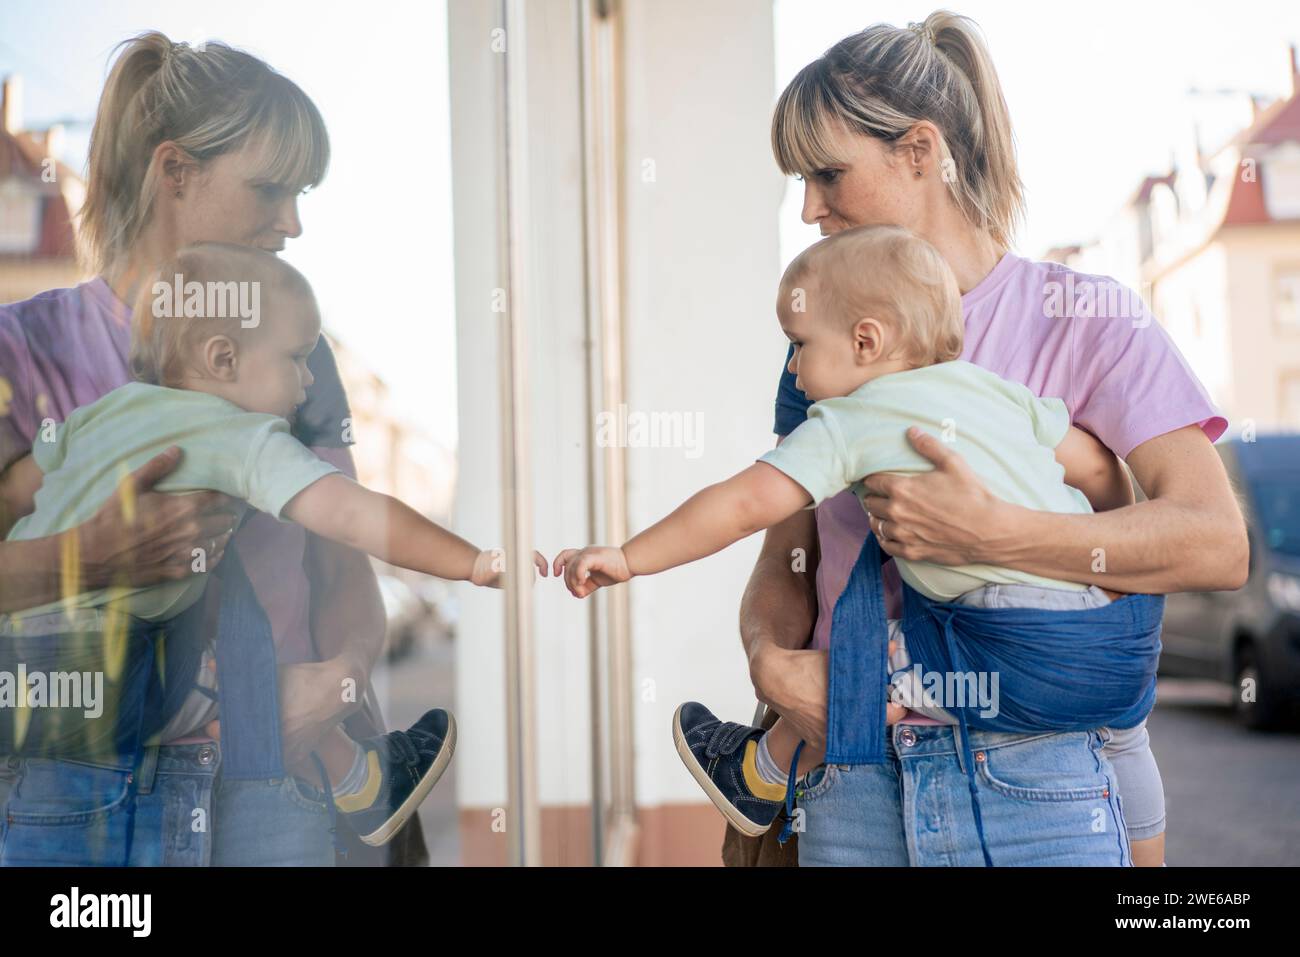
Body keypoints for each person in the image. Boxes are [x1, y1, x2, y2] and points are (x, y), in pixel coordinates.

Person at [729, 11, 1245, 867]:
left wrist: (993, 534)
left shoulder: (1086, 318)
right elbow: (788, 553)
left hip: (1037, 776)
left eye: (827, 174)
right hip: (849, 775)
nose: (810, 207)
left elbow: (1216, 542)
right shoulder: (820, 343)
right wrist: (768, 664)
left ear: (921, 153)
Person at [555, 224, 1161, 866]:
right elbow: (1097, 470)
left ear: (865, 340)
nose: (792, 366)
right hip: (1095, 624)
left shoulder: (850, 420)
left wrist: (627, 556)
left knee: (855, 675)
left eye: (799, 345)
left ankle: (757, 773)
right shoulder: (997, 391)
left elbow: (738, 506)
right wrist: (1101, 566)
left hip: (1004, 632)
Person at [0, 32, 418, 866]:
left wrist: (335, 689)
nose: (293, 223)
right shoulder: (23, 347)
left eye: (301, 194)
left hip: (276, 783)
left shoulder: (296, 353)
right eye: (270, 189)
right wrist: (95, 556)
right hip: (78, 797)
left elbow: (344, 572)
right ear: (175, 172)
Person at [3, 243, 547, 849]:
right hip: (115, 674)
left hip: (20, 668)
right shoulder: (241, 435)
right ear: (223, 357)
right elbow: (353, 515)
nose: (310, 379)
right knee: (254, 673)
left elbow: (22, 487)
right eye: (296, 358)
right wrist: (473, 562)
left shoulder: (98, 415)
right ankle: (362, 780)